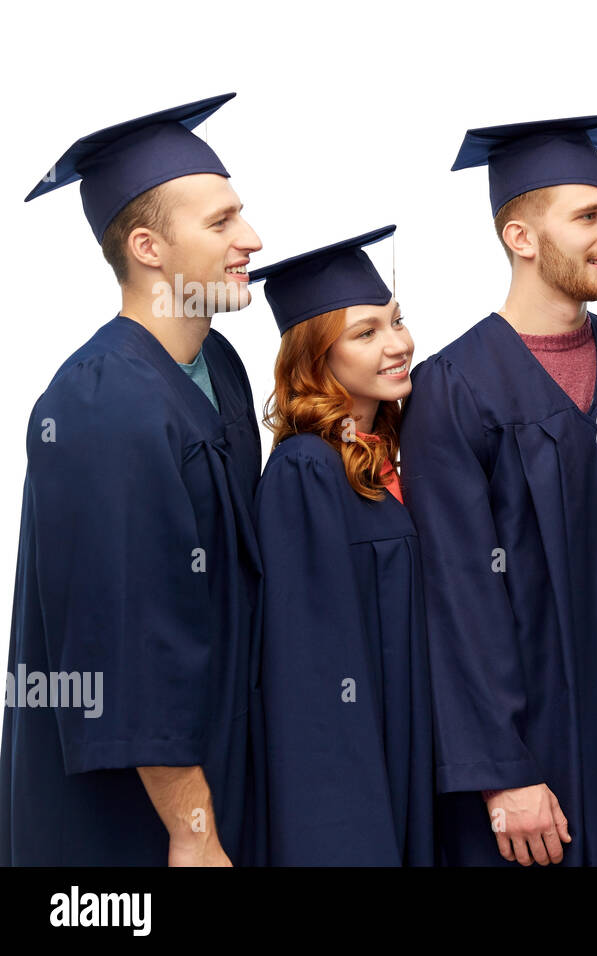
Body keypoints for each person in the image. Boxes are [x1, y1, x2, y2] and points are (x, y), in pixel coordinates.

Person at [401, 113, 597, 866]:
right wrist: (502, 773)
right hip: (533, 764)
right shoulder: (453, 387)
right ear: (521, 238)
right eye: (589, 215)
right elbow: (456, 595)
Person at [1, 93, 264, 865]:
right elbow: (127, 638)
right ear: (149, 248)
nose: (252, 238)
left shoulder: (217, 365)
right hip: (132, 818)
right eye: (220, 223)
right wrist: (194, 829)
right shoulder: (101, 400)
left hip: (219, 763)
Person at [248, 225, 436, 866]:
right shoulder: (307, 470)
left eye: (397, 322)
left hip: (414, 755)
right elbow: (311, 677)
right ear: (314, 360)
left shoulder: (390, 460)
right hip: (361, 775)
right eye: (366, 333)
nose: (398, 345)